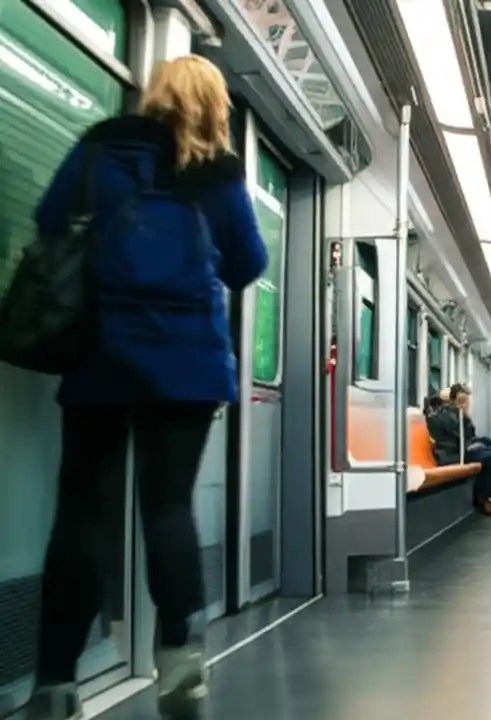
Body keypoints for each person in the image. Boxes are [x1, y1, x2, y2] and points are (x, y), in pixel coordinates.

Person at [26, 55, 268, 719]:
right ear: (215, 106)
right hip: (187, 367)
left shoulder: (100, 146)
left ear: (152, 93)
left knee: (81, 516)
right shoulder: (216, 170)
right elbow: (249, 263)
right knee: (168, 508)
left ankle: (54, 681)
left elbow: (50, 220)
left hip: (101, 357)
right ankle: (181, 664)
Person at [428, 384, 491, 516]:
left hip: (459, 450)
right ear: (458, 401)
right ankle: (489, 500)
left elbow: (467, 438)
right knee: (490, 457)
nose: (467, 405)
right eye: (465, 402)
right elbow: (461, 439)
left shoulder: (455, 415)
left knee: (488, 446)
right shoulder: (451, 416)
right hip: (451, 455)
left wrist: (482, 444)